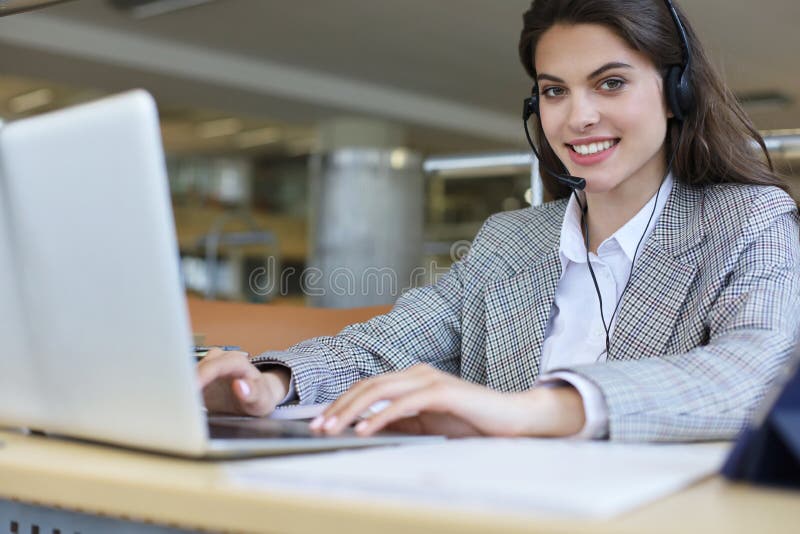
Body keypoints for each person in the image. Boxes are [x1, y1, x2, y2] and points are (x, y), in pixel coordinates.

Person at [197, 0, 800, 442]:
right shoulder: (509, 240)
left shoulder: (749, 221)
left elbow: (753, 375)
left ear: (676, 94)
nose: (578, 116)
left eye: (610, 83)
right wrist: (270, 383)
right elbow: (383, 347)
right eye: (555, 91)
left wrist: (529, 411)